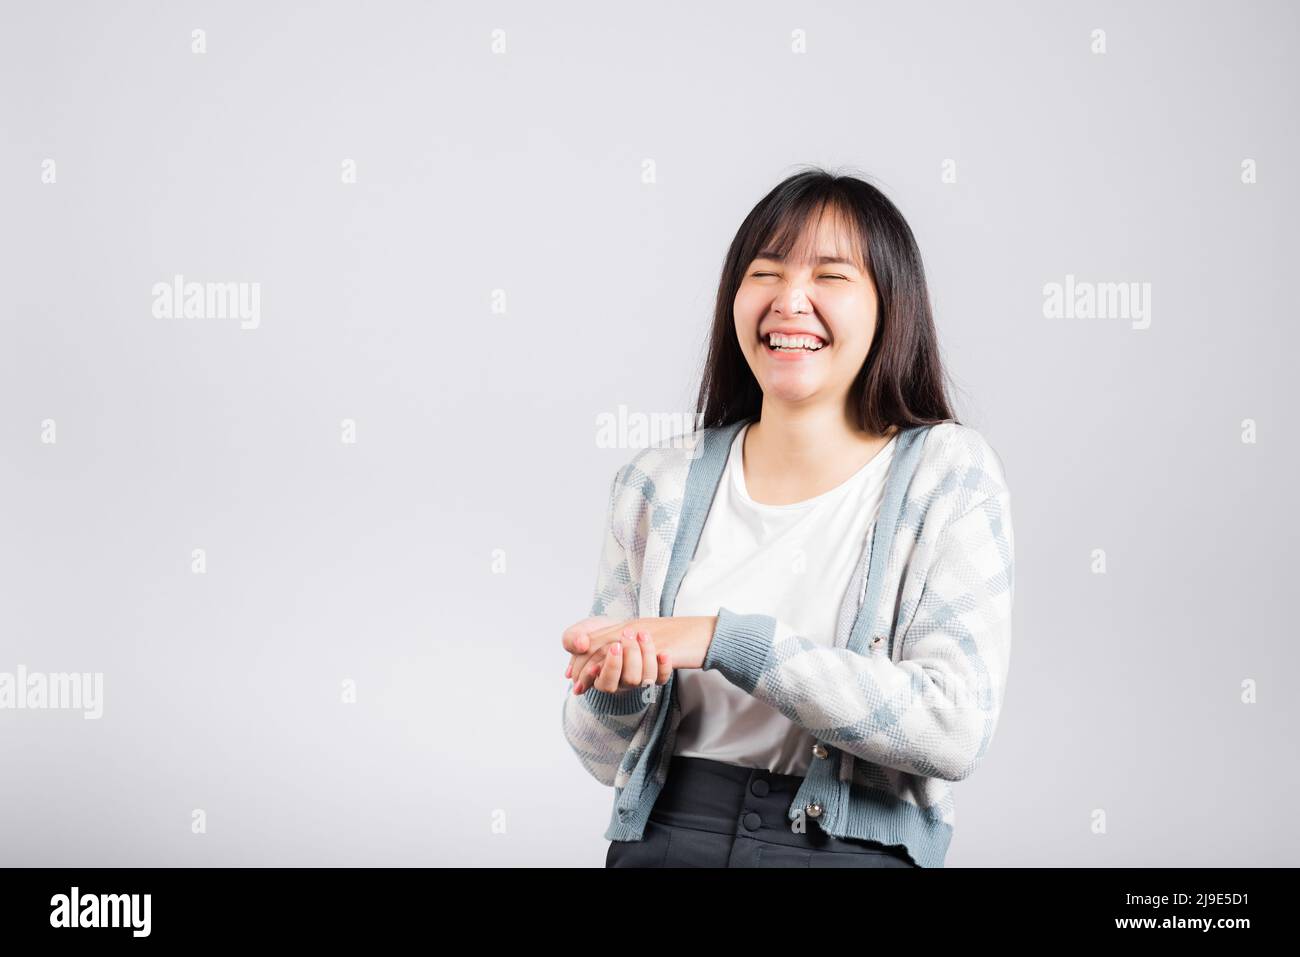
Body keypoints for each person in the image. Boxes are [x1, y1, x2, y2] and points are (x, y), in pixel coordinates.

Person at [560, 166, 1015, 868]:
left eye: (831, 276)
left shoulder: (947, 473)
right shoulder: (659, 481)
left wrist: (727, 641)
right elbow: (601, 755)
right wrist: (619, 686)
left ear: (890, 305)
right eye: (765, 272)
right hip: (665, 837)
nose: (789, 300)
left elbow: (953, 728)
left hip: (849, 849)